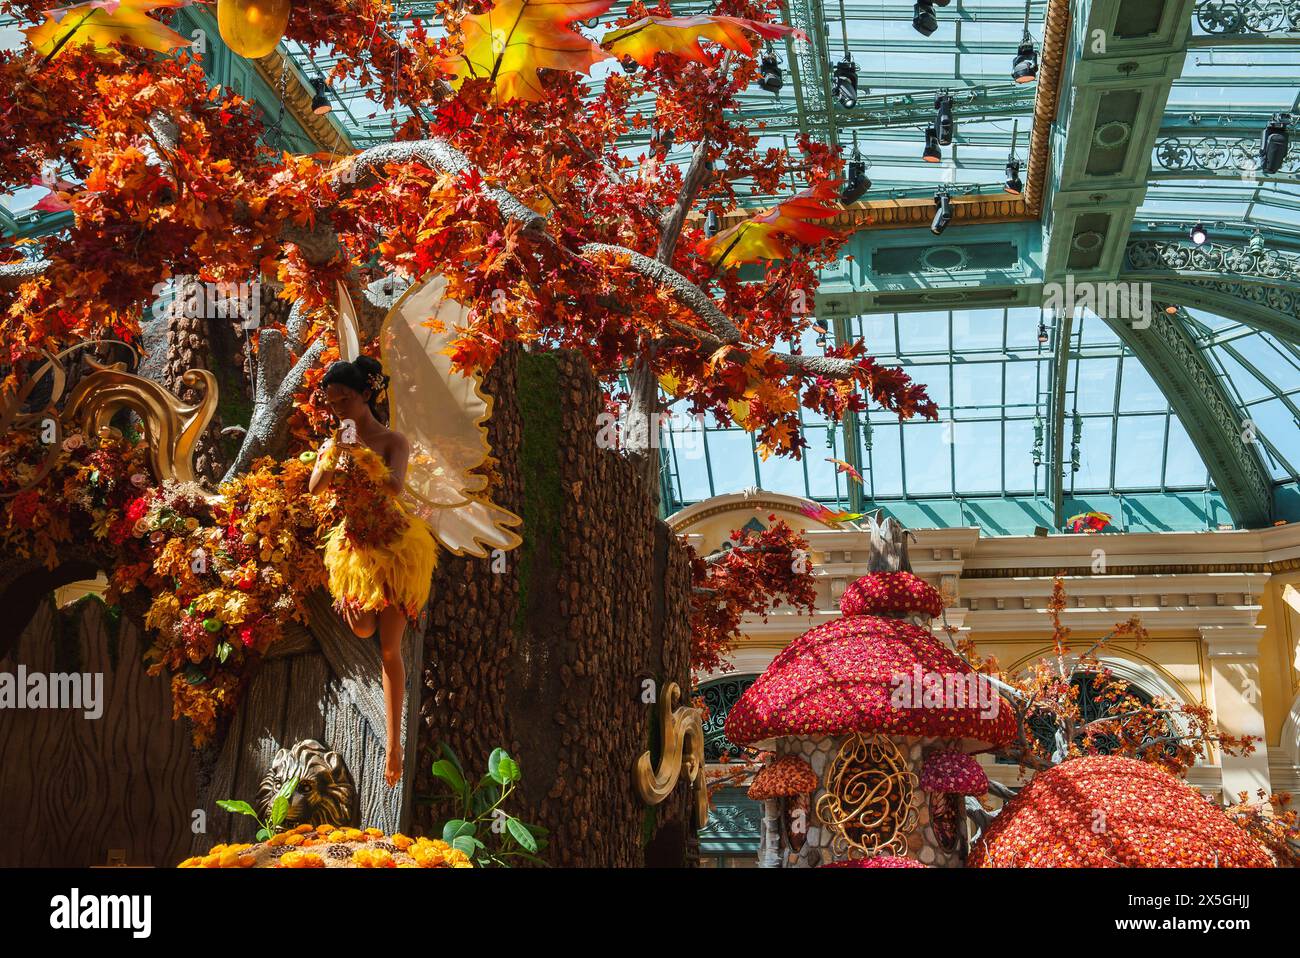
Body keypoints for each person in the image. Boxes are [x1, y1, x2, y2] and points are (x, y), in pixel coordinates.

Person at [307, 355, 436, 788]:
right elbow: (315, 489)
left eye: (344, 398)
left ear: (365, 395)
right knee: (362, 630)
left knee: (387, 650)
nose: (338, 407)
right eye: (331, 401)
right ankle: (361, 620)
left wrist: (360, 455)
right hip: (356, 548)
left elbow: (396, 486)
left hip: (396, 546)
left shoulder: (392, 440)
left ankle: (395, 745)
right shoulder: (335, 440)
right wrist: (332, 454)